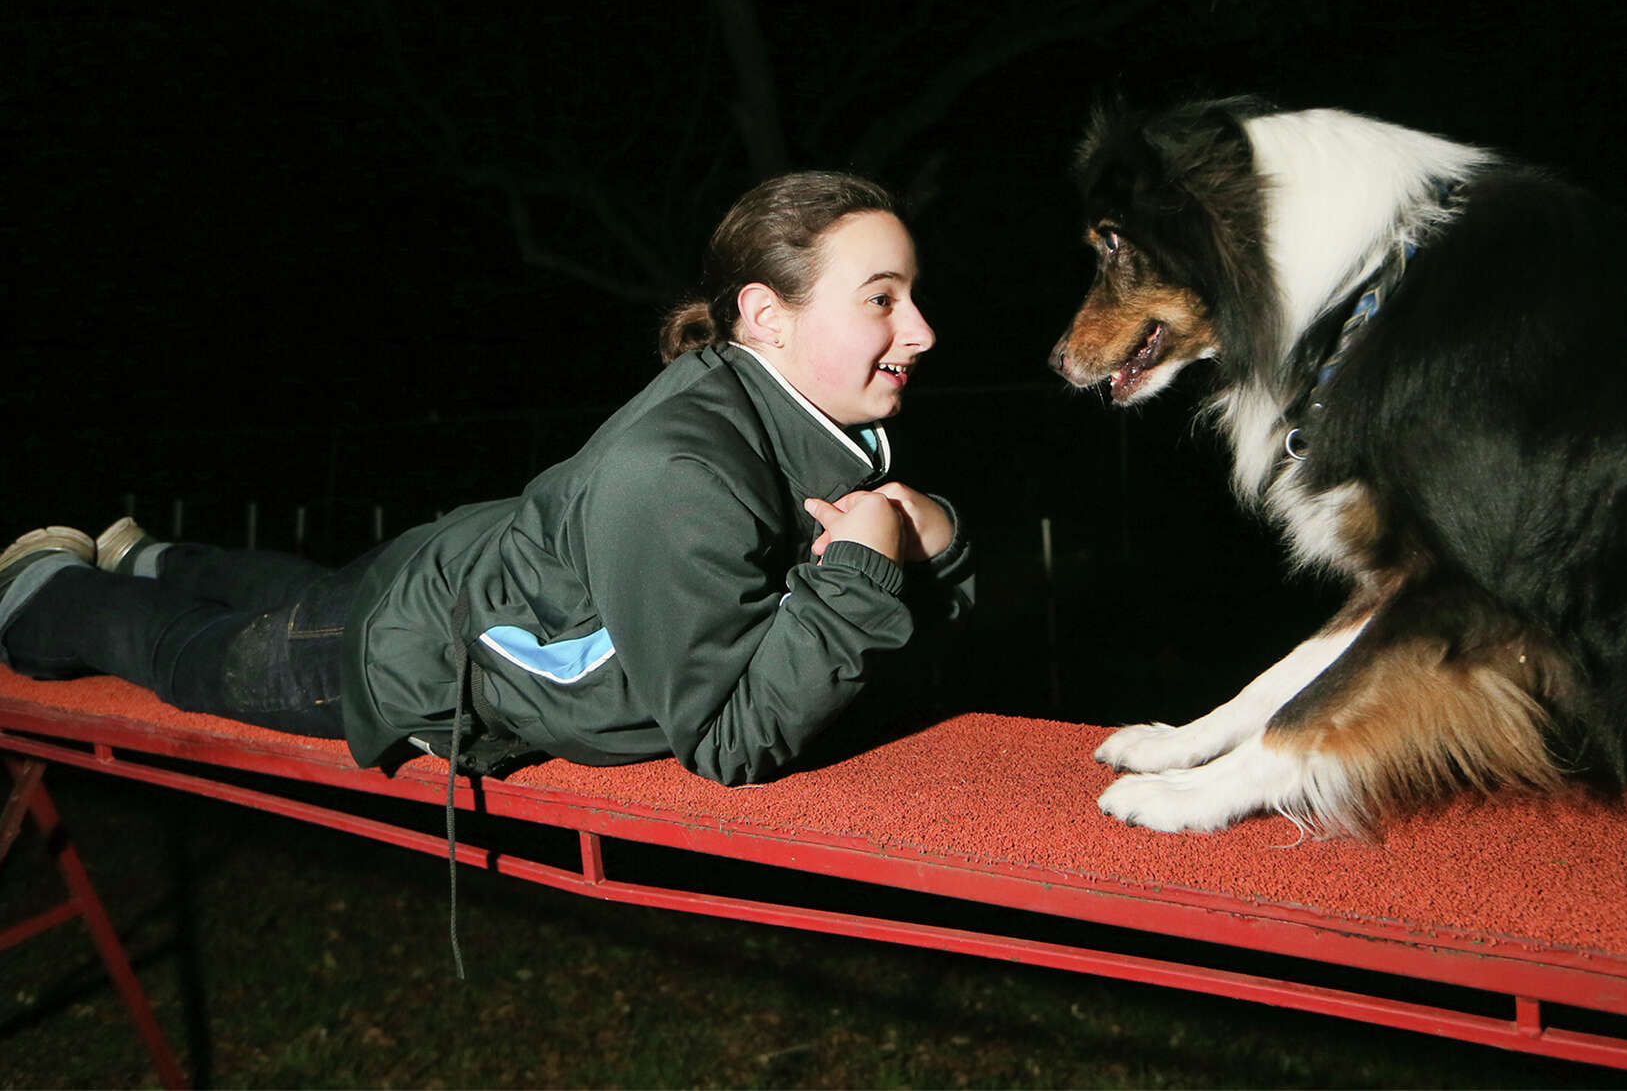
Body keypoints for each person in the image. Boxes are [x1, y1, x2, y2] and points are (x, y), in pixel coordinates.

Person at [0, 171, 973, 785]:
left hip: (470, 565)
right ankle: (45, 591)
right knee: (200, 659)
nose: (921, 330)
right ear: (766, 315)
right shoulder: (685, 474)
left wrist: (940, 543)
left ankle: (153, 552)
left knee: (303, 595)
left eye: (914, 295)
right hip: (428, 648)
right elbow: (723, 743)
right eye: (883, 298)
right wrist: (859, 578)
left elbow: (865, 631)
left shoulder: (812, 421)